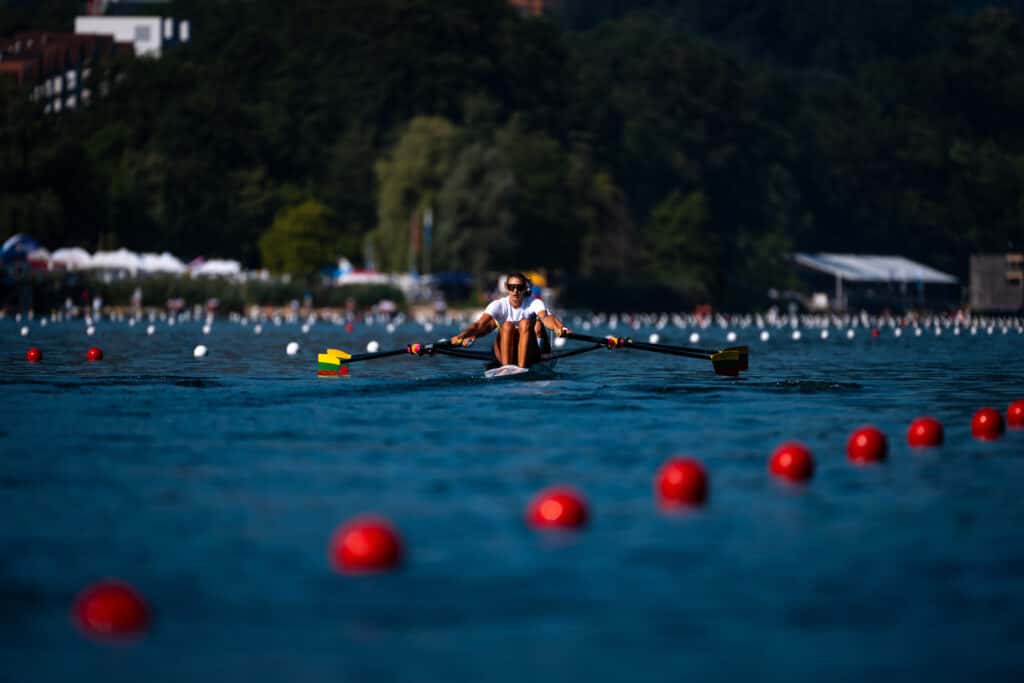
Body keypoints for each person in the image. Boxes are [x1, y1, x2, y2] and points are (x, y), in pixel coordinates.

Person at [451, 272, 571, 368]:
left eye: (519, 287)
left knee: (525, 323)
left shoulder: (535, 303)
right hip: (503, 351)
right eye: (511, 287)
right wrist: (462, 336)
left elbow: (546, 317)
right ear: (506, 289)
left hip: (530, 351)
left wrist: (559, 328)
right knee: (507, 325)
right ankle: (507, 368)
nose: (515, 291)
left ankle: (521, 368)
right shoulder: (498, 305)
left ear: (525, 289)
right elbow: (480, 324)